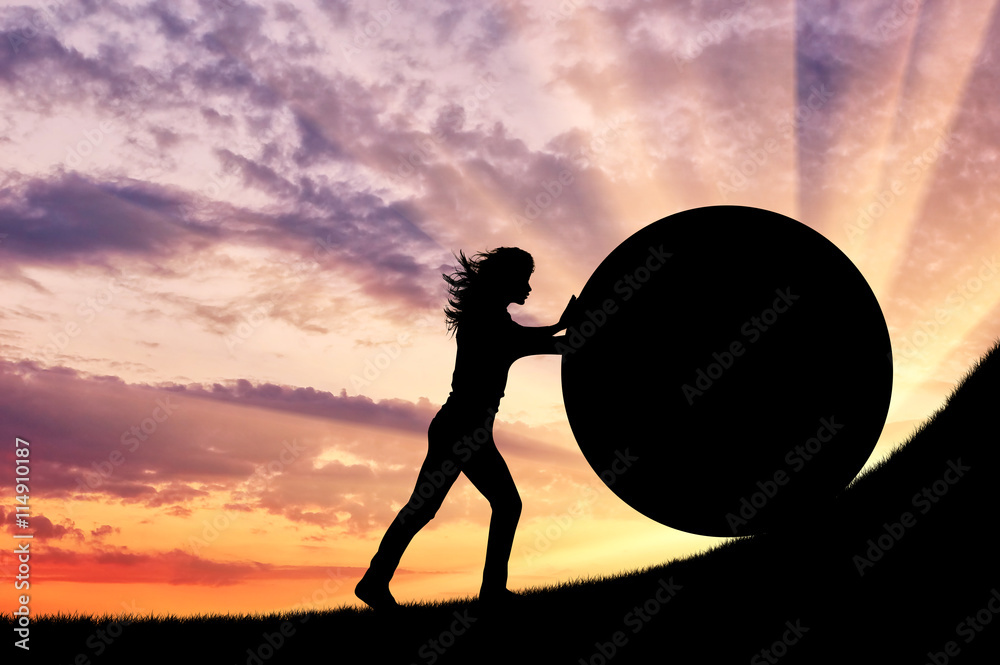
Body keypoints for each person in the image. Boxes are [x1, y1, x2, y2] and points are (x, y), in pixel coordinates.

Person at [355, 247, 579, 610]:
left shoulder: (490, 318)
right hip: (463, 430)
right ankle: (490, 592)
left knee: (426, 508)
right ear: (505, 280)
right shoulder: (486, 321)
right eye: (523, 279)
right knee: (504, 504)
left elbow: (545, 343)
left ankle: (374, 581)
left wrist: (563, 326)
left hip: (460, 428)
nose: (528, 288)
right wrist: (563, 325)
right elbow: (535, 342)